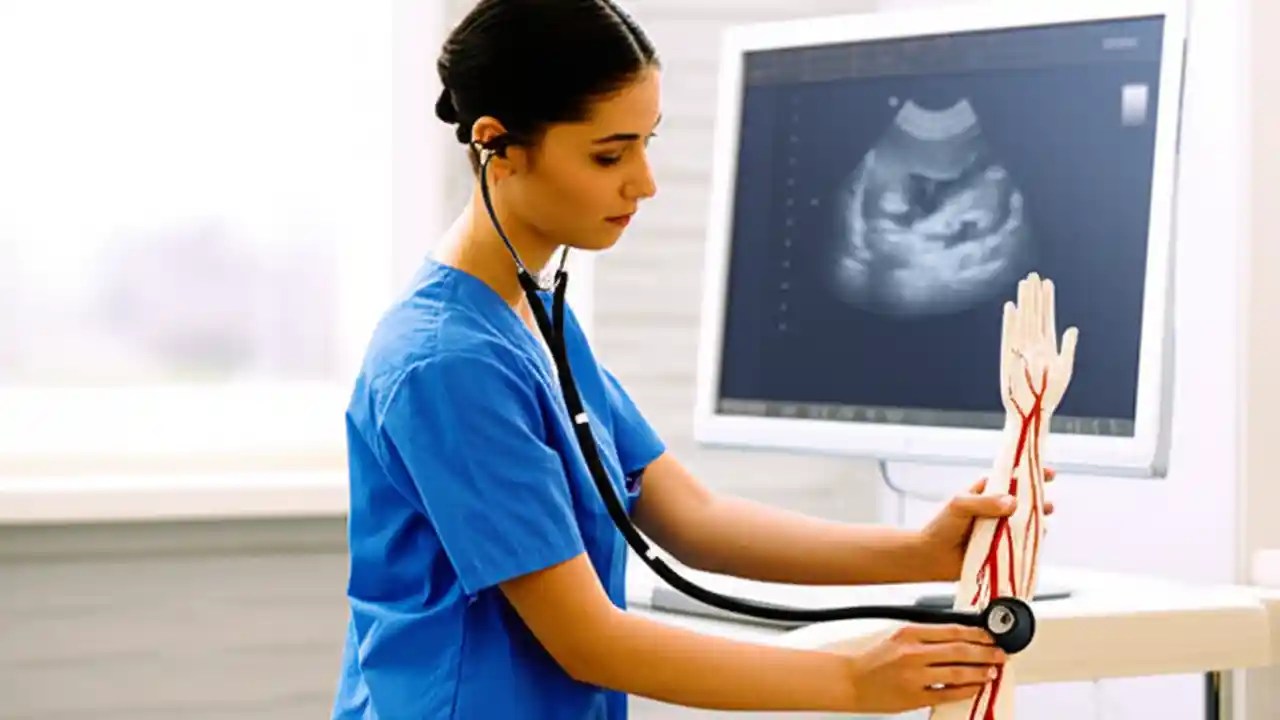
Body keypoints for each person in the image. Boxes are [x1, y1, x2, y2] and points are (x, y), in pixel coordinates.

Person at [331, 1, 1054, 718]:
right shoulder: (446, 367)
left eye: (647, 143)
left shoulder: (535, 317)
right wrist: (849, 682)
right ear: (499, 145)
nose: (644, 182)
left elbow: (692, 518)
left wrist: (921, 551)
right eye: (609, 154)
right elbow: (588, 642)